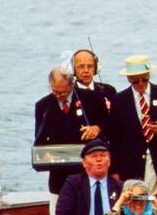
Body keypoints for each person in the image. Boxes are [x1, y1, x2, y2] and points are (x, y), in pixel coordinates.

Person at [108, 55, 157, 192]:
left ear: (149, 75)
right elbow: (114, 139)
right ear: (129, 79)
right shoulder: (119, 101)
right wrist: (114, 170)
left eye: (145, 79)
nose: (141, 84)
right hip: (132, 168)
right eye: (136, 82)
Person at [34, 66, 110, 194]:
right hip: (58, 174)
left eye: (62, 93)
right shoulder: (43, 106)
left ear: (72, 85)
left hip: (88, 170)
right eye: (55, 92)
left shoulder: (92, 98)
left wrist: (98, 129)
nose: (58, 96)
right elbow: (39, 138)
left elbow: (110, 126)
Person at [52, 139, 124, 215]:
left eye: (103, 155)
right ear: (84, 163)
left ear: (109, 161)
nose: (99, 159)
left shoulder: (120, 187)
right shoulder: (73, 183)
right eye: (93, 156)